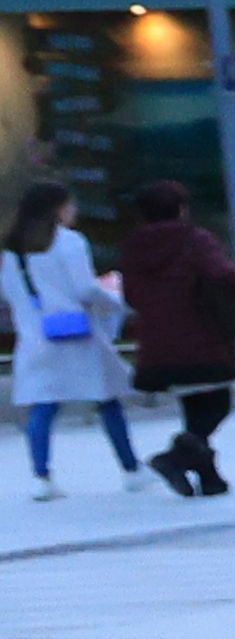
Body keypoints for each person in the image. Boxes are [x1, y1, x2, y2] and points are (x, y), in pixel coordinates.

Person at [114, 177, 235, 497]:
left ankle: (209, 478)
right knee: (218, 403)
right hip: (202, 334)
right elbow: (222, 274)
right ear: (181, 209)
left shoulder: (133, 246)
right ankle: (174, 458)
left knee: (194, 401)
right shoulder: (195, 239)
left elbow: (130, 294)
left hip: (157, 341)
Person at [9, 176, 141, 496]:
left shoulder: (11, 251)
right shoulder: (69, 242)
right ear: (58, 208)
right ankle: (131, 469)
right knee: (107, 400)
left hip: (35, 338)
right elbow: (84, 289)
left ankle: (42, 477)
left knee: (43, 406)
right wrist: (115, 299)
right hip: (78, 335)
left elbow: (14, 296)